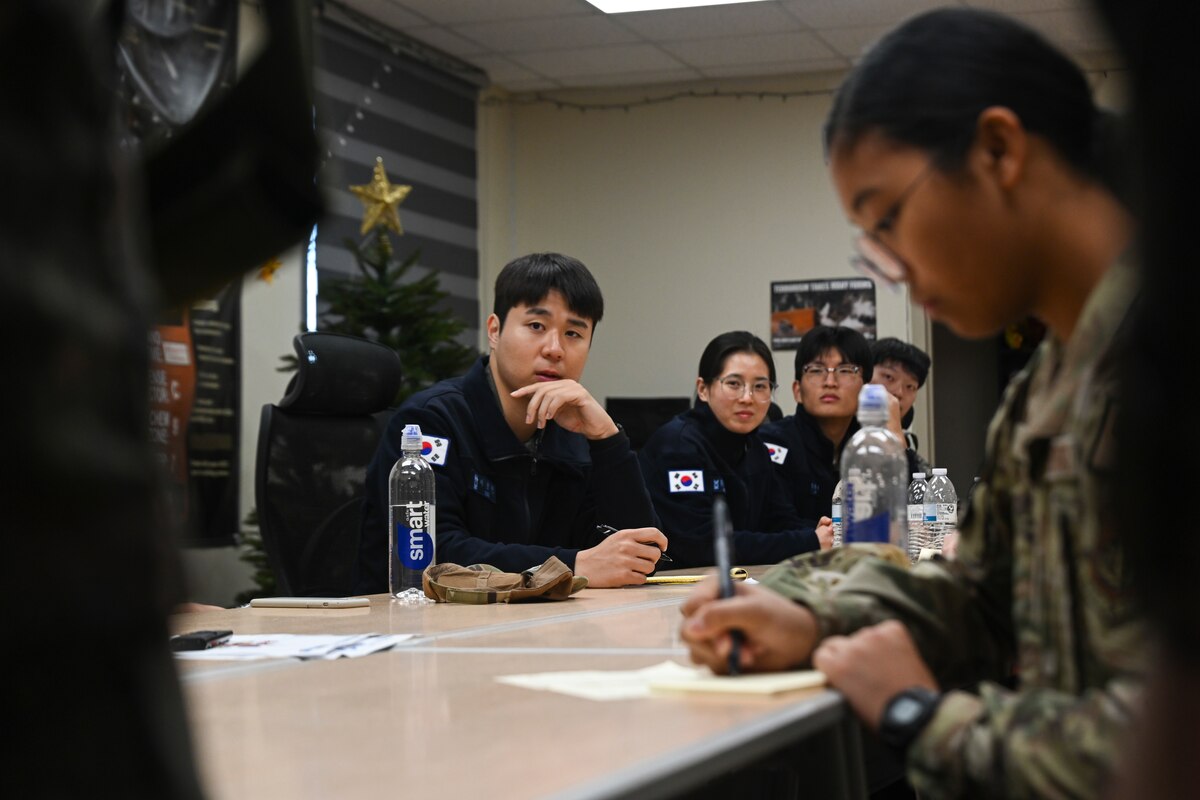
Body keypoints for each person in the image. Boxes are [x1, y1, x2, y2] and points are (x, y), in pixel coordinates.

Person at [679, 8, 1142, 799]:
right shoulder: (1051, 382)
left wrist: (916, 717)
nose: (892, 270)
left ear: (998, 150)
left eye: (889, 218)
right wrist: (815, 615)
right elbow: (986, 597)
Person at [354, 253, 666, 592]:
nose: (555, 348)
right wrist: (573, 565)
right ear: (494, 331)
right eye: (536, 326)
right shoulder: (431, 422)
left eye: (574, 333)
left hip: (531, 626)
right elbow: (430, 553)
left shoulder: (573, 434)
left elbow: (640, 554)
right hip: (411, 627)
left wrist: (607, 439)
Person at [637, 331, 832, 569]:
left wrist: (824, 532)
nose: (747, 397)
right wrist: (808, 541)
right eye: (733, 384)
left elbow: (779, 518)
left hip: (730, 581)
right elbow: (702, 544)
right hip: (667, 586)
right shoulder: (679, 446)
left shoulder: (755, 445)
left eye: (760, 386)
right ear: (703, 389)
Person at [759, 325, 872, 525]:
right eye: (816, 370)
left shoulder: (870, 449)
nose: (830, 381)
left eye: (845, 370)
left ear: (866, 390)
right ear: (797, 391)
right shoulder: (774, 444)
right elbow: (775, 525)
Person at [870, 337, 932, 473]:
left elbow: (911, 491)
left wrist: (896, 435)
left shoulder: (908, 440)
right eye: (888, 377)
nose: (898, 393)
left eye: (910, 386)